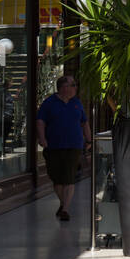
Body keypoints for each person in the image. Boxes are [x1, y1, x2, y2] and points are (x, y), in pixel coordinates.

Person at [36, 75, 92, 222]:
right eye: (73, 85)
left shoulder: (77, 103)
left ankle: (65, 209)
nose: (75, 88)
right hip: (53, 145)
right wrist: (42, 138)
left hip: (74, 145)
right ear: (63, 88)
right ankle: (63, 203)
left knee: (69, 178)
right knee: (57, 179)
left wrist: (89, 139)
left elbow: (84, 122)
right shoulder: (49, 103)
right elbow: (40, 122)